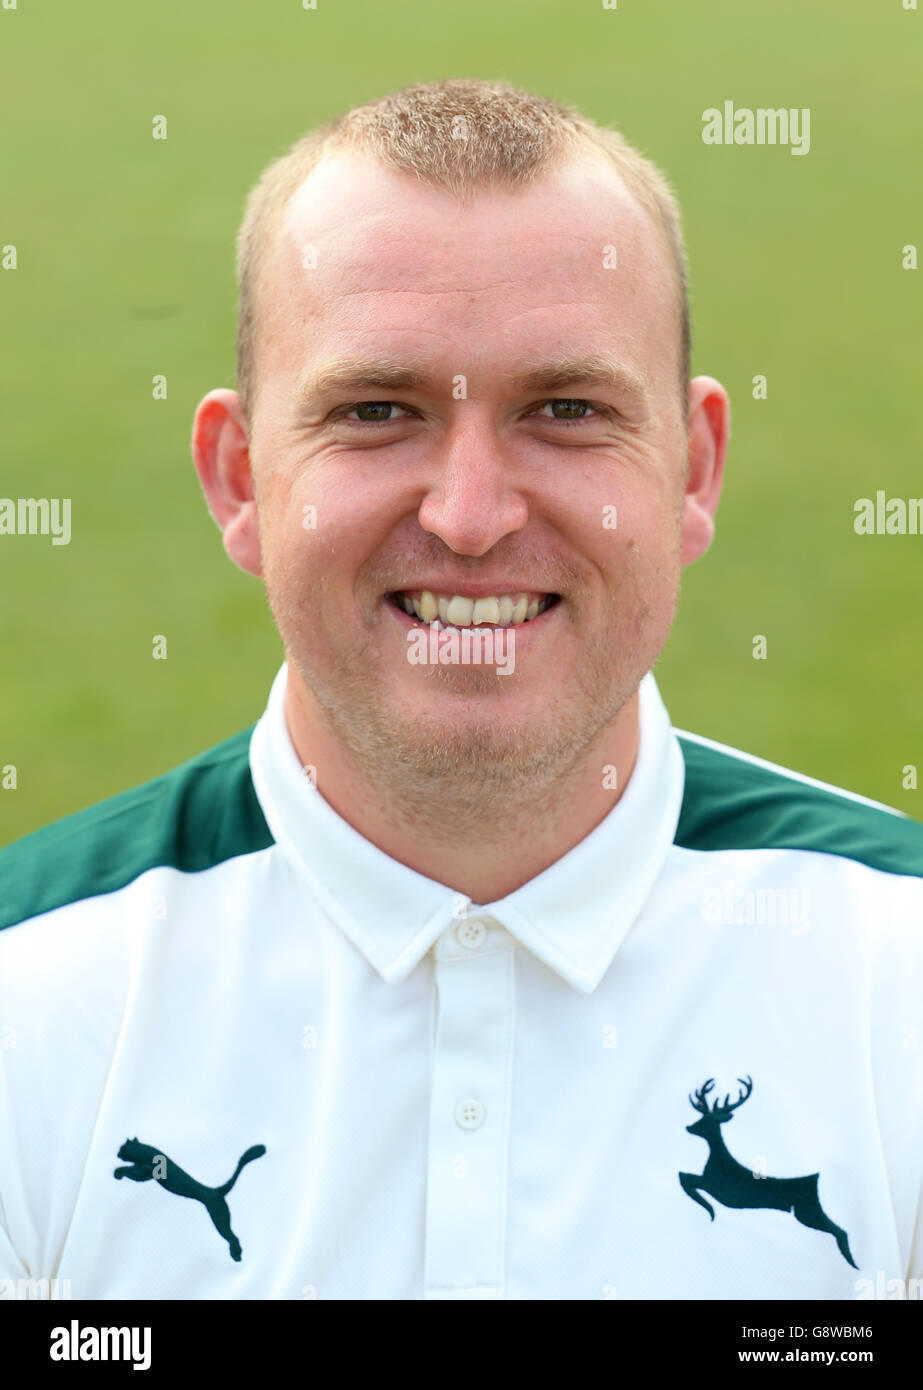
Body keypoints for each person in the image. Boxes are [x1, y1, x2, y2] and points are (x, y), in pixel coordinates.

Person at [1, 78, 920, 1302]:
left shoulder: (894, 975)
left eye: (567, 410)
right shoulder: (29, 998)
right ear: (238, 481)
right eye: (375, 411)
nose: (471, 515)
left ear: (692, 472)